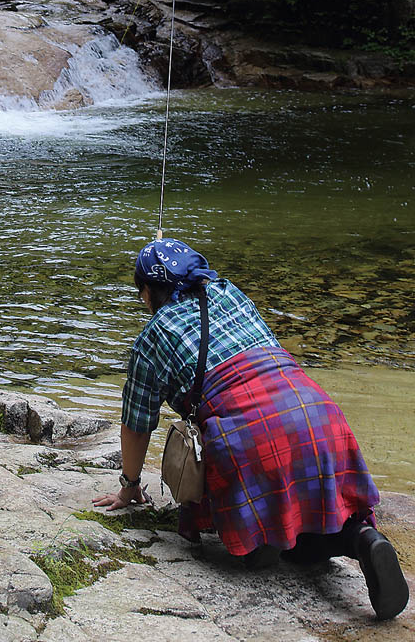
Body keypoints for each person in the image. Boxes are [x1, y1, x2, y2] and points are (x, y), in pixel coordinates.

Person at [93, 237, 410, 621]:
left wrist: (129, 486)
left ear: (148, 292)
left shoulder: (151, 339)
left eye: (140, 292)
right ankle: (360, 538)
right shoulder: (231, 293)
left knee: (281, 547)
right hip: (319, 414)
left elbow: (137, 424)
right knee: (323, 511)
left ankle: (265, 539)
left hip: (251, 437)